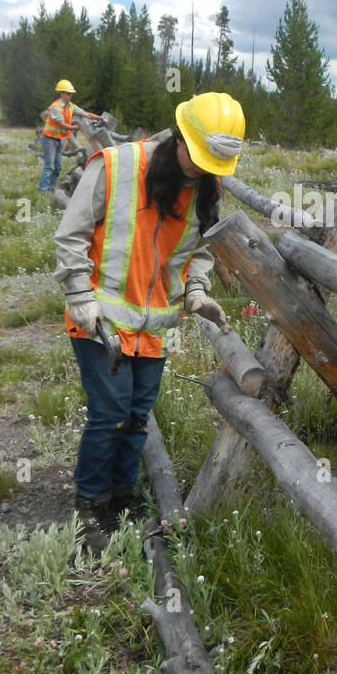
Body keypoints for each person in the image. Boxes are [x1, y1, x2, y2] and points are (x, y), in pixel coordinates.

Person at [54, 91, 244, 553]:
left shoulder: (207, 187)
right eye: (195, 158)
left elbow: (199, 249)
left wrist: (196, 291)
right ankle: (89, 505)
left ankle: (122, 497)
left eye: (209, 165)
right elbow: (71, 234)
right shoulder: (115, 167)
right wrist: (79, 294)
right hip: (100, 320)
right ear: (178, 137)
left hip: (154, 327)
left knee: (137, 417)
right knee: (110, 414)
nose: (198, 170)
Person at [39, 79, 104, 195]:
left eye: (71, 94)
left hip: (59, 139)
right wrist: (78, 127)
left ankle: (51, 188)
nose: (71, 96)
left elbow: (86, 114)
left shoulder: (70, 106)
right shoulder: (55, 107)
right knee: (49, 166)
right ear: (61, 93)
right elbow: (62, 124)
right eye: (69, 93)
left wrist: (100, 118)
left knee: (57, 167)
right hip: (49, 140)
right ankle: (43, 190)